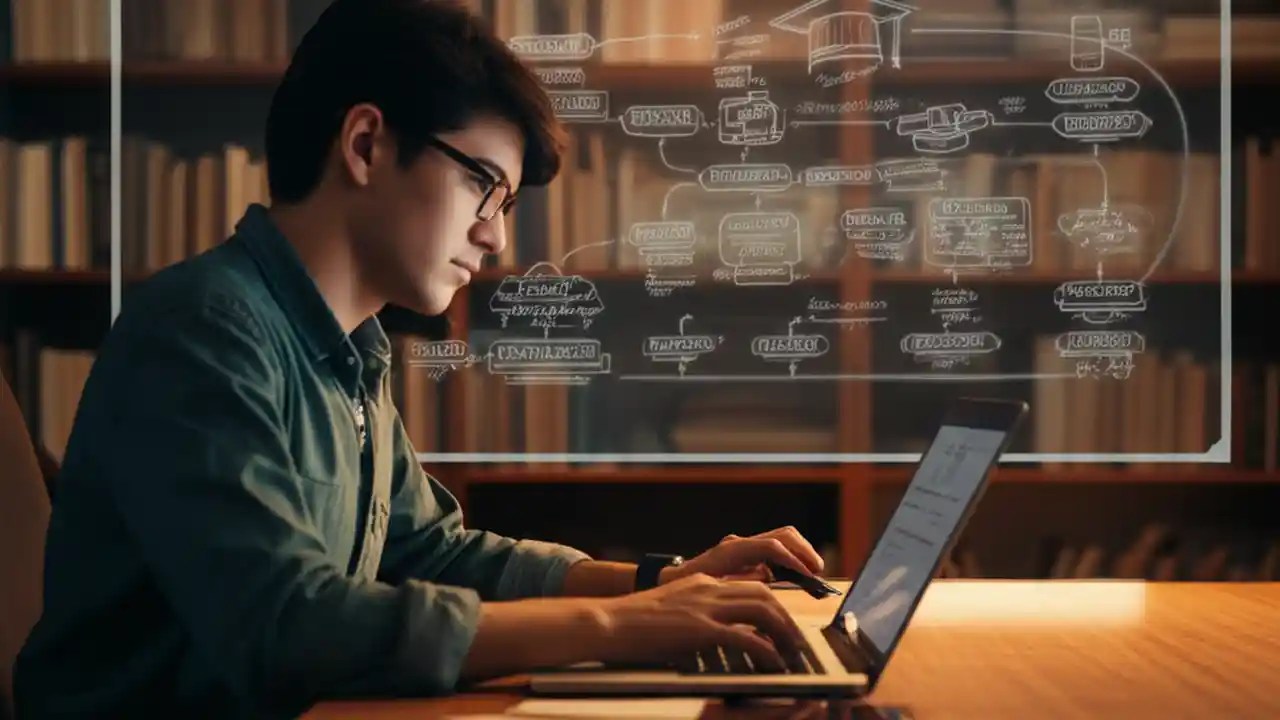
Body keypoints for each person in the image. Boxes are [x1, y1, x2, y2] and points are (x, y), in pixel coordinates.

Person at [12, 1, 832, 718]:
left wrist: (661, 583)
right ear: (366, 143)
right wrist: (619, 629)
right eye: (483, 186)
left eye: (505, 205)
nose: (497, 235)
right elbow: (288, 627)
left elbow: (431, 554)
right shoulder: (202, 333)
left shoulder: (345, 351)